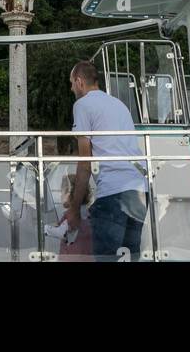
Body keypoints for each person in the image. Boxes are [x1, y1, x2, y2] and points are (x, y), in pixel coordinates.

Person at [66, 60, 148, 263]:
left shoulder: (83, 105)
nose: (71, 88)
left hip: (113, 191)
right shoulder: (119, 104)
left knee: (106, 257)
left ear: (79, 82)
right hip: (139, 189)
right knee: (130, 256)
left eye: (71, 83)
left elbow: (85, 162)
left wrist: (75, 207)